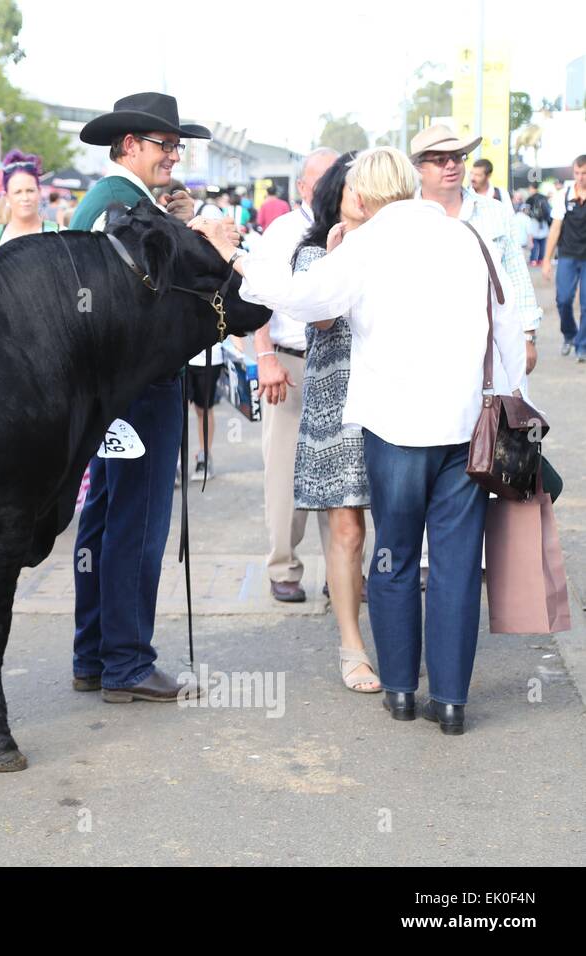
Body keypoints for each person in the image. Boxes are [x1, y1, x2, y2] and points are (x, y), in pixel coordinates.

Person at [195, 146, 528, 735]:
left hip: (394, 428)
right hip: (465, 428)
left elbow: (299, 298)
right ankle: (451, 701)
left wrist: (234, 253)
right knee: (453, 565)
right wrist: (513, 410)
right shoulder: (468, 239)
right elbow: (504, 331)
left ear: (367, 196)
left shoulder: (368, 245)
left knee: (394, 557)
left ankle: (400, 689)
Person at [68, 91, 231, 704]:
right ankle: (128, 662)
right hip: (140, 382)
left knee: (107, 517)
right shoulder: (120, 204)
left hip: (113, 382)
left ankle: (96, 654)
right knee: (135, 522)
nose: (174, 155)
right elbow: (148, 297)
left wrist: (175, 221)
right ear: (129, 144)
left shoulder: (119, 201)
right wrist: (197, 236)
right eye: (166, 145)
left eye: (176, 145)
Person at [286, 150, 378, 692]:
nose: (362, 198)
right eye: (352, 188)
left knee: (398, 526)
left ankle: (394, 636)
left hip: (393, 399)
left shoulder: (395, 250)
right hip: (336, 401)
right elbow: (319, 317)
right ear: (334, 196)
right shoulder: (313, 254)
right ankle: (352, 647)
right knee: (347, 528)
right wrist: (336, 258)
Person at [247, 147, 338, 603]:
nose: (329, 187)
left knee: (343, 471)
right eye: (320, 180)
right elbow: (257, 299)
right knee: (285, 471)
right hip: (291, 363)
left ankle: (344, 572)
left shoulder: (354, 227)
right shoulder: (283, 232)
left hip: (342, 364)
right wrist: (265, 357)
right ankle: (284, 567)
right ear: (302, 186)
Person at [412, 125, 541, 374]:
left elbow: (516, 274)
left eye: (457, 157)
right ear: (419, 168)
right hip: (426, 349)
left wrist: (528, 335)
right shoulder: (405, 218)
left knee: (496, 411)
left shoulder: (495, 212)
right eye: (440, 160)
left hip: (492, 346)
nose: (451, 165)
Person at [541, 154, 586, 359]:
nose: (580, 177)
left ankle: (582, 346)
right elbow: (555, 229)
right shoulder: (564, 195)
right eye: (577, 173)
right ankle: (570, 334)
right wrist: (546, 261)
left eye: (584, 173)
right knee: (563, 299)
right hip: (568, 255)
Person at [0, 149, 60, 257]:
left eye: (30, 190)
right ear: (7, 197)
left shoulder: (60, 235)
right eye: (17, 192)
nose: (25, 198)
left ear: (39, 192)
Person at [524, 183, 552, 265]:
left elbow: (526, 211)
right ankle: (541, 259)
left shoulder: (529, 199)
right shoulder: (543, 197)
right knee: (543, 242)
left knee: (534, 241)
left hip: (534, 222)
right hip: (543, 223)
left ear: (532, 188)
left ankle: (533, 259)